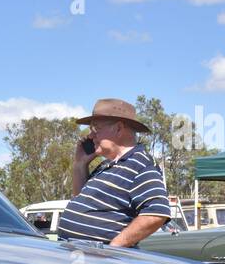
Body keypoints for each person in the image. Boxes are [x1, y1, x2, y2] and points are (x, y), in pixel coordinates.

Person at [57, 98, 171, 247]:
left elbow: (156, 213)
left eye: (96, 129)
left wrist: (114, 247)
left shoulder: (141, 164)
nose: (90, 136)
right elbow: (81, 199)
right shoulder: (106, 165)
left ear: (118, 128)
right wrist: (80, 164)